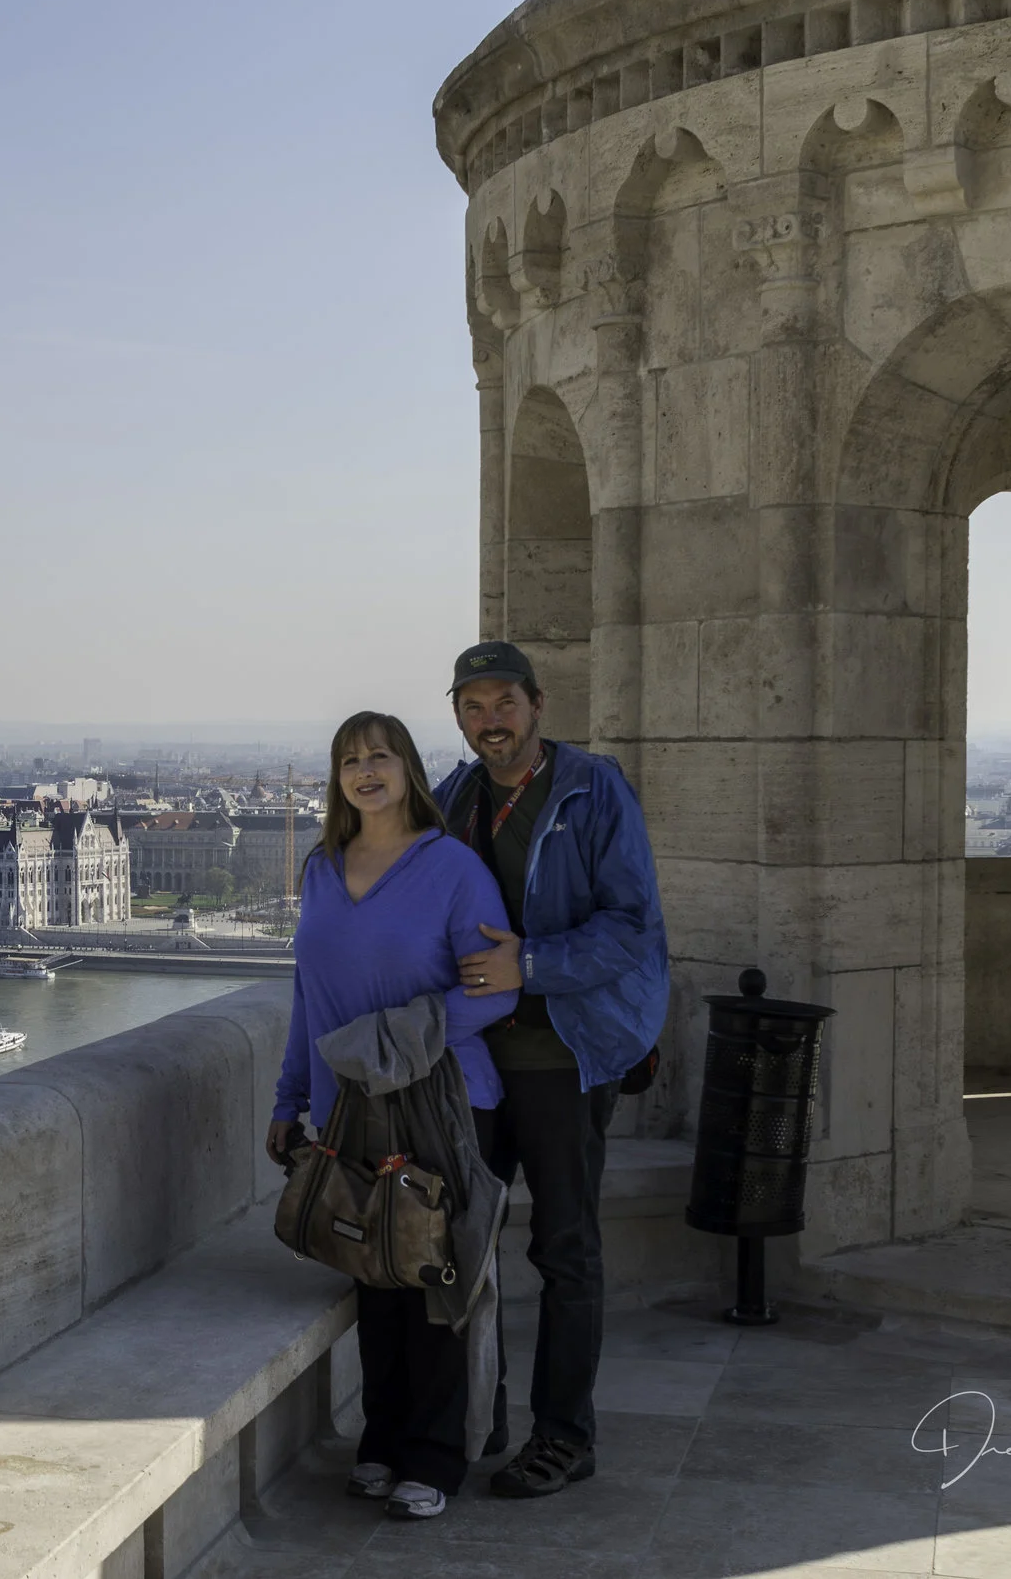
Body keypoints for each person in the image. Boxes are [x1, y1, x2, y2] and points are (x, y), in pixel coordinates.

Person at [267, 711, 518, 1522]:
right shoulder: (321, 869)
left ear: (409, 768)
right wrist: (288, 1099)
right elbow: (309, 998)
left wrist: (398, 1040)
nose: (365, 770)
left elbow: (497, 989)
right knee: (375, 1274)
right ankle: (382, 1440)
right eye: (349, 759)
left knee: (435, 1279)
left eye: (380, 756)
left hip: (440, 1099)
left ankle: (434, 1456)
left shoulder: (453, 870)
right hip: (349, 1109)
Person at [436, 640, 668, 1499]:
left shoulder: (591, 788)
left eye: (503, 703)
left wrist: (529, 964)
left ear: (537, 705)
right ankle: (479, 1419)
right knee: (469, 1245)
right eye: (472, 706)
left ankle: (566, 1436)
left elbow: (632, 925)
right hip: (478, 1062)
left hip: (565, 1055)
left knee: (565, 1248)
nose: (489, 721)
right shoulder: (456, 796)